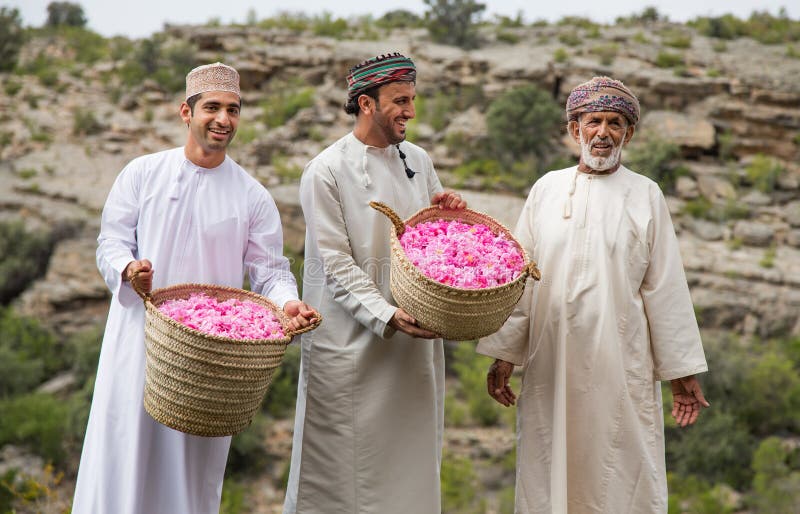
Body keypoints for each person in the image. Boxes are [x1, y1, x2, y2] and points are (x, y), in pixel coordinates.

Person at [72, 62, 317, 514]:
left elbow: (270, 271)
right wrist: (129, 270)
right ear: (186, 112)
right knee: (121, 458)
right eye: (212, 108)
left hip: (206, 362)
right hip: (137, 343)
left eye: (233, 109)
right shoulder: (142, 173)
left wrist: (289, 303)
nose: (224, 119)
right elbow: (111, 240)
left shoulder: (253, 196)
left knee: (188, 475)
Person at [477, 76, 710, 514]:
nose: (603, 132)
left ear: (629, 133)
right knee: (549, 471)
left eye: (615, 123)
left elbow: (666, 289)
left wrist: (682, 375)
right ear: (574, 129)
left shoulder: (645, 195)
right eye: (594, 121)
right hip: (551, 361)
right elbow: (519, 279)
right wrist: (505, 353)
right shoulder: (545, 189)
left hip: (620, 363)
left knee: (619, 472)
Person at [282, 52, 466, 514]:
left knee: (409, 475)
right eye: (400, 100)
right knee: (340, 479)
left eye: (413, 99)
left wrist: (447, 212)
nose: (410, 110)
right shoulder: (324, 170)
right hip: (349, 348)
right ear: (366, 103)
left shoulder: (418, 161)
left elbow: (428, 240)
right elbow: (334, 263)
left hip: (411, 350)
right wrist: (386, 315)